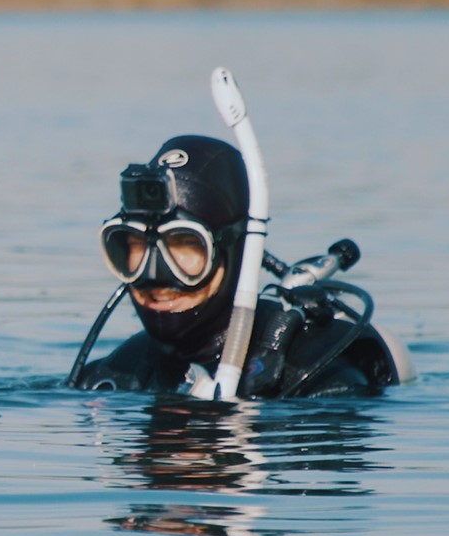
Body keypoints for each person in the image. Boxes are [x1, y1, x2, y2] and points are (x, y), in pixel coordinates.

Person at [72, 135, 414, 398]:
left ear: (237, 253)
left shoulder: (320, 381)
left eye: (185, 245)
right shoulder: (109, 378)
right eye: (134, 247)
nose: (156, 274)